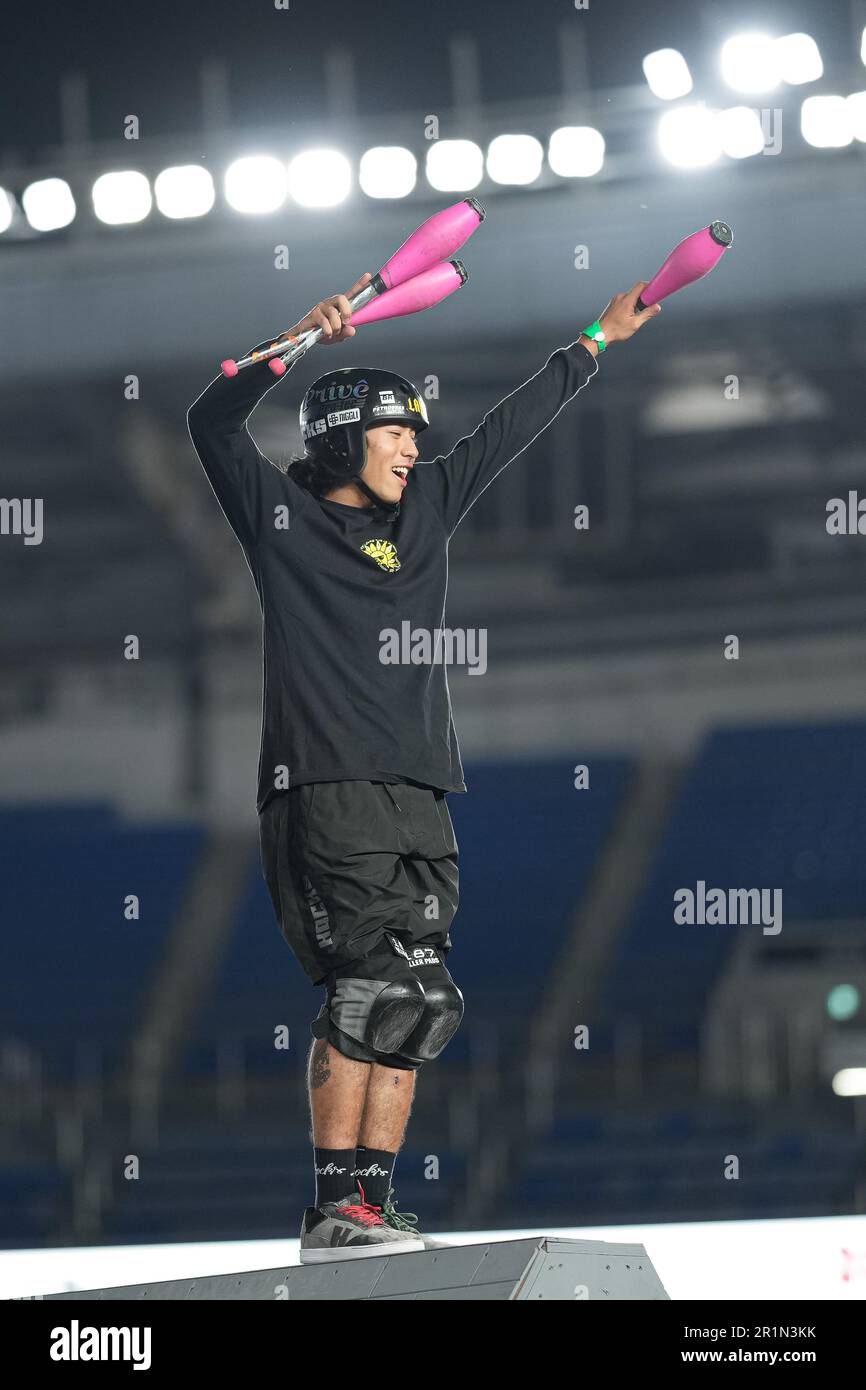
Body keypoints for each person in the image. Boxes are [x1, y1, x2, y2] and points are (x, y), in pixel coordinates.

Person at [187, 272, 660, 1263]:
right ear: (341, 438)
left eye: (413, 430)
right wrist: (292, 344)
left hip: (418, 789)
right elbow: (211, 420)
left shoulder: (426, 512)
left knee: (425, 1002)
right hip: (324, 788)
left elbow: (508, 426)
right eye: (395, 429)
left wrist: (596, 337)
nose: (414, 444)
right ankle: (328, 1211)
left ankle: (366, 1208)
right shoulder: (280, 522)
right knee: (364, 992)